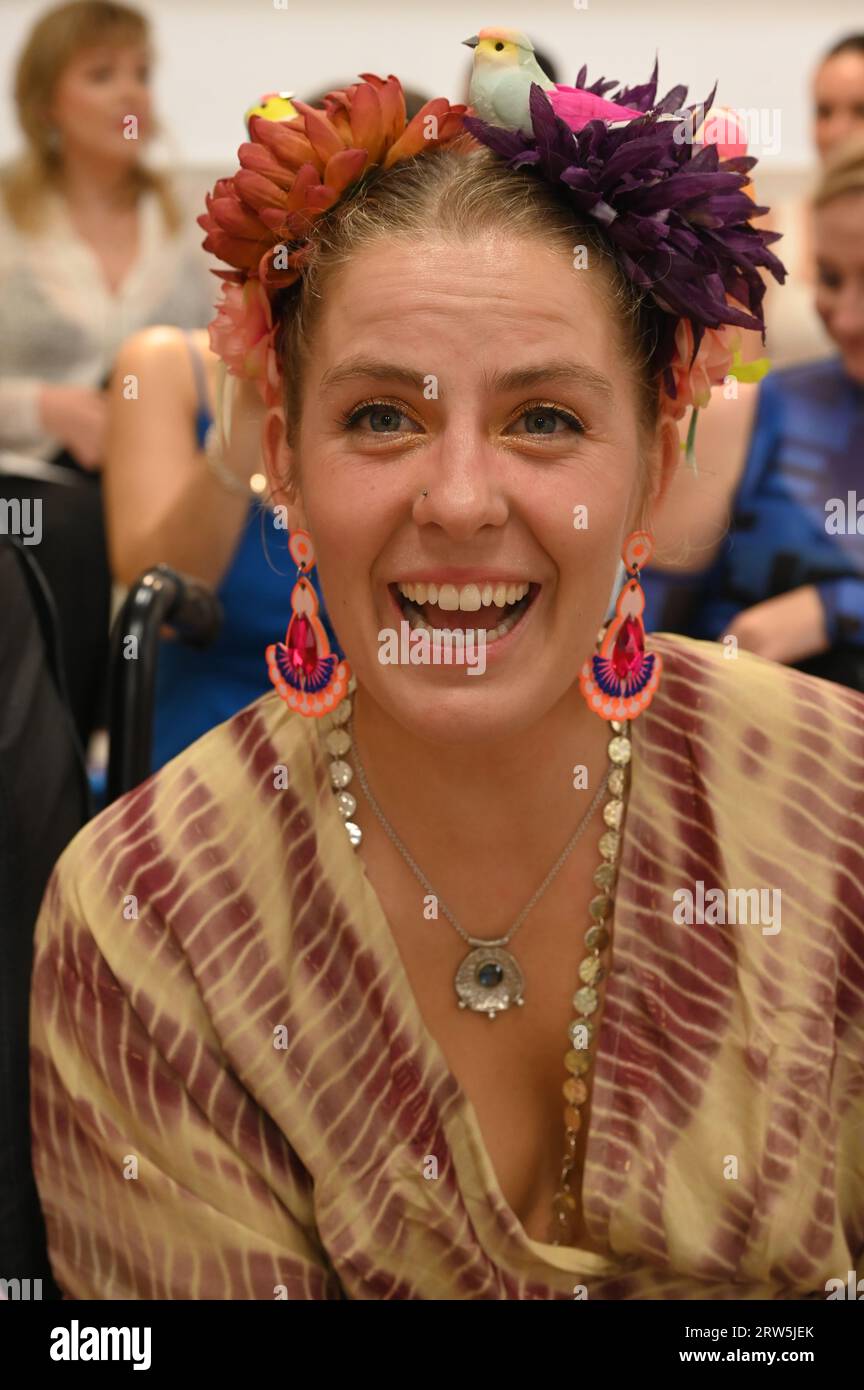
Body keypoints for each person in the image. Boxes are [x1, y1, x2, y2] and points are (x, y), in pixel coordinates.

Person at [29, 62, 864, 1300]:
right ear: (285, 464)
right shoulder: (152, 914)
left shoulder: (836, 806)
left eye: (543, 420)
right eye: (380, 417)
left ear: (651, 472)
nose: (462, 499)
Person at [0, 0, 216, 742]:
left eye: (141, 74)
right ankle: (69, 764)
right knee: (60, 531)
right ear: (44, 101)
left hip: (152, 470)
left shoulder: (188, 221)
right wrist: (48, 407)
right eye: (102, 75)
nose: (132, 95)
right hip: (28, 474)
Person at [650, 137, 864, 691]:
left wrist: (833, 607)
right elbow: (630, 647)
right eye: (832, 279)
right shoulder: (745, 416)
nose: (845, 318)